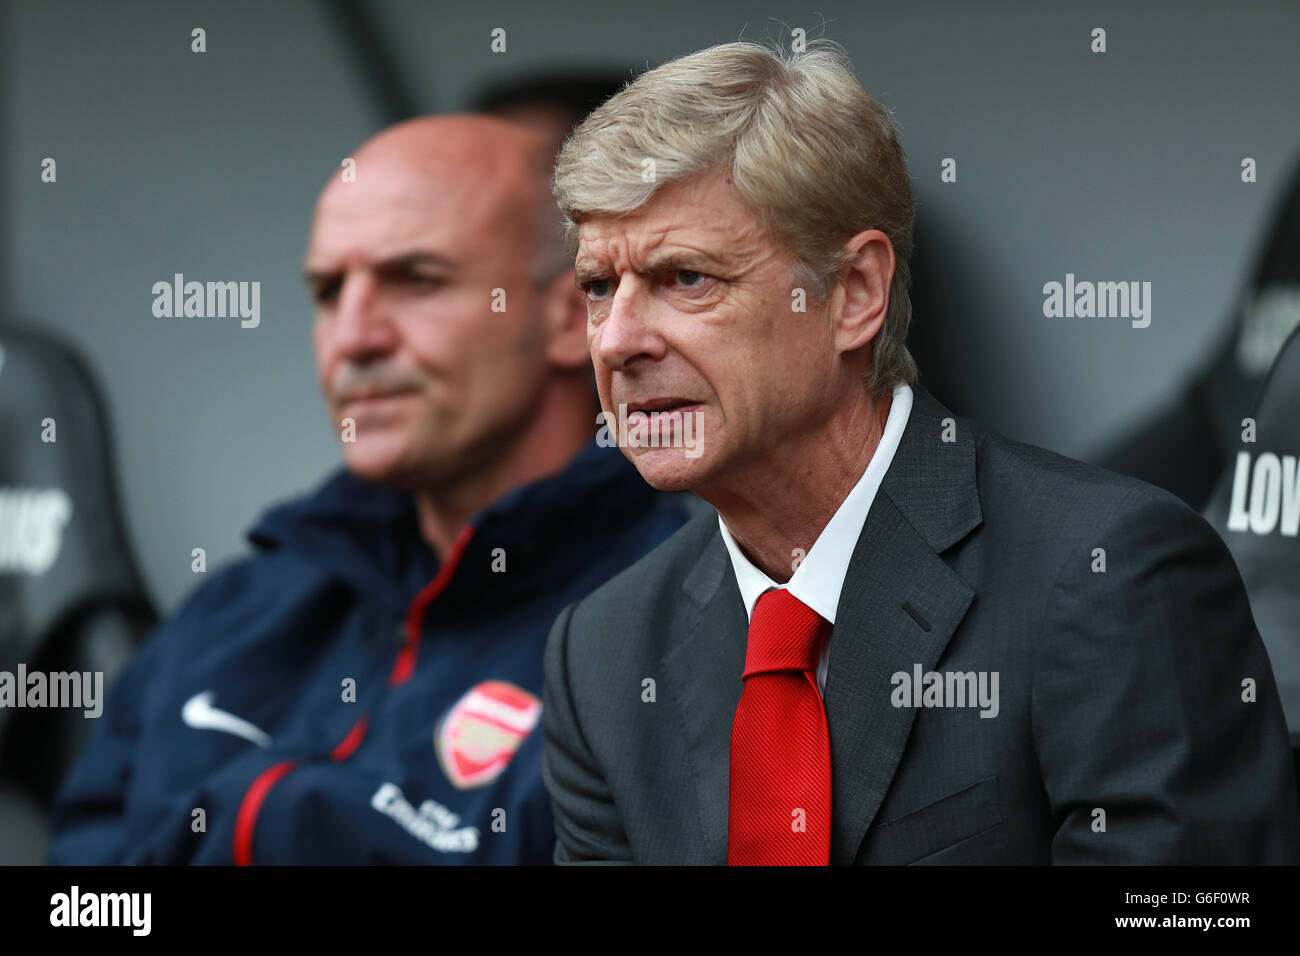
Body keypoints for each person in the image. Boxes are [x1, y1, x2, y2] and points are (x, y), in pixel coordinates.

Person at [540, 40, 1300, 865]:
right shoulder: (602, 651)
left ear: (856, 294)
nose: (616, 342)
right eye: (597, 287)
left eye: (686, 278)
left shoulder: (1107, 575)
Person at [48, 115, 688, 864]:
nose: (353, 337)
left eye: (416, 280)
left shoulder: (676, 633)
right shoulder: (240, 608)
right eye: (327, 291)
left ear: (570, 313)